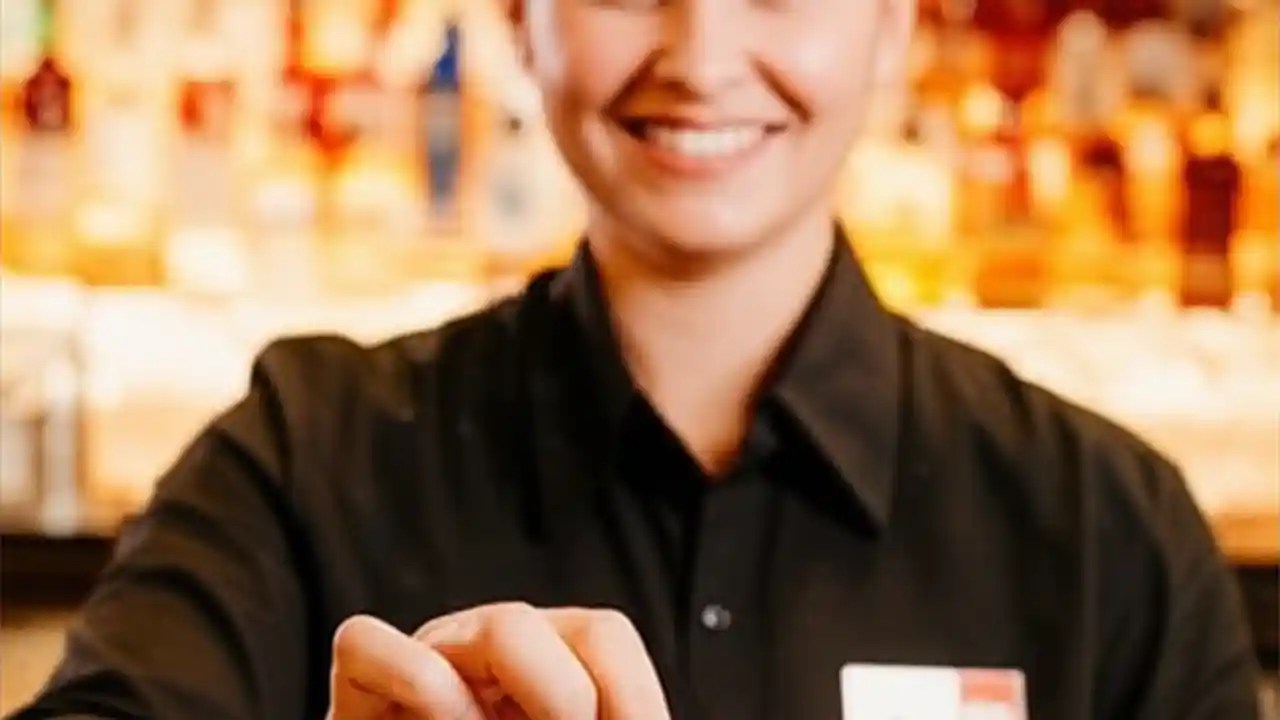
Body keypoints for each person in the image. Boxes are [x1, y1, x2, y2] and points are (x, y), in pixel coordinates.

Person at [14, 0, 1260, 718]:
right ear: (519, 21)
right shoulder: (302, 455)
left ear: (893, 25)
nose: (699, 56)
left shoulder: (1109, 531)